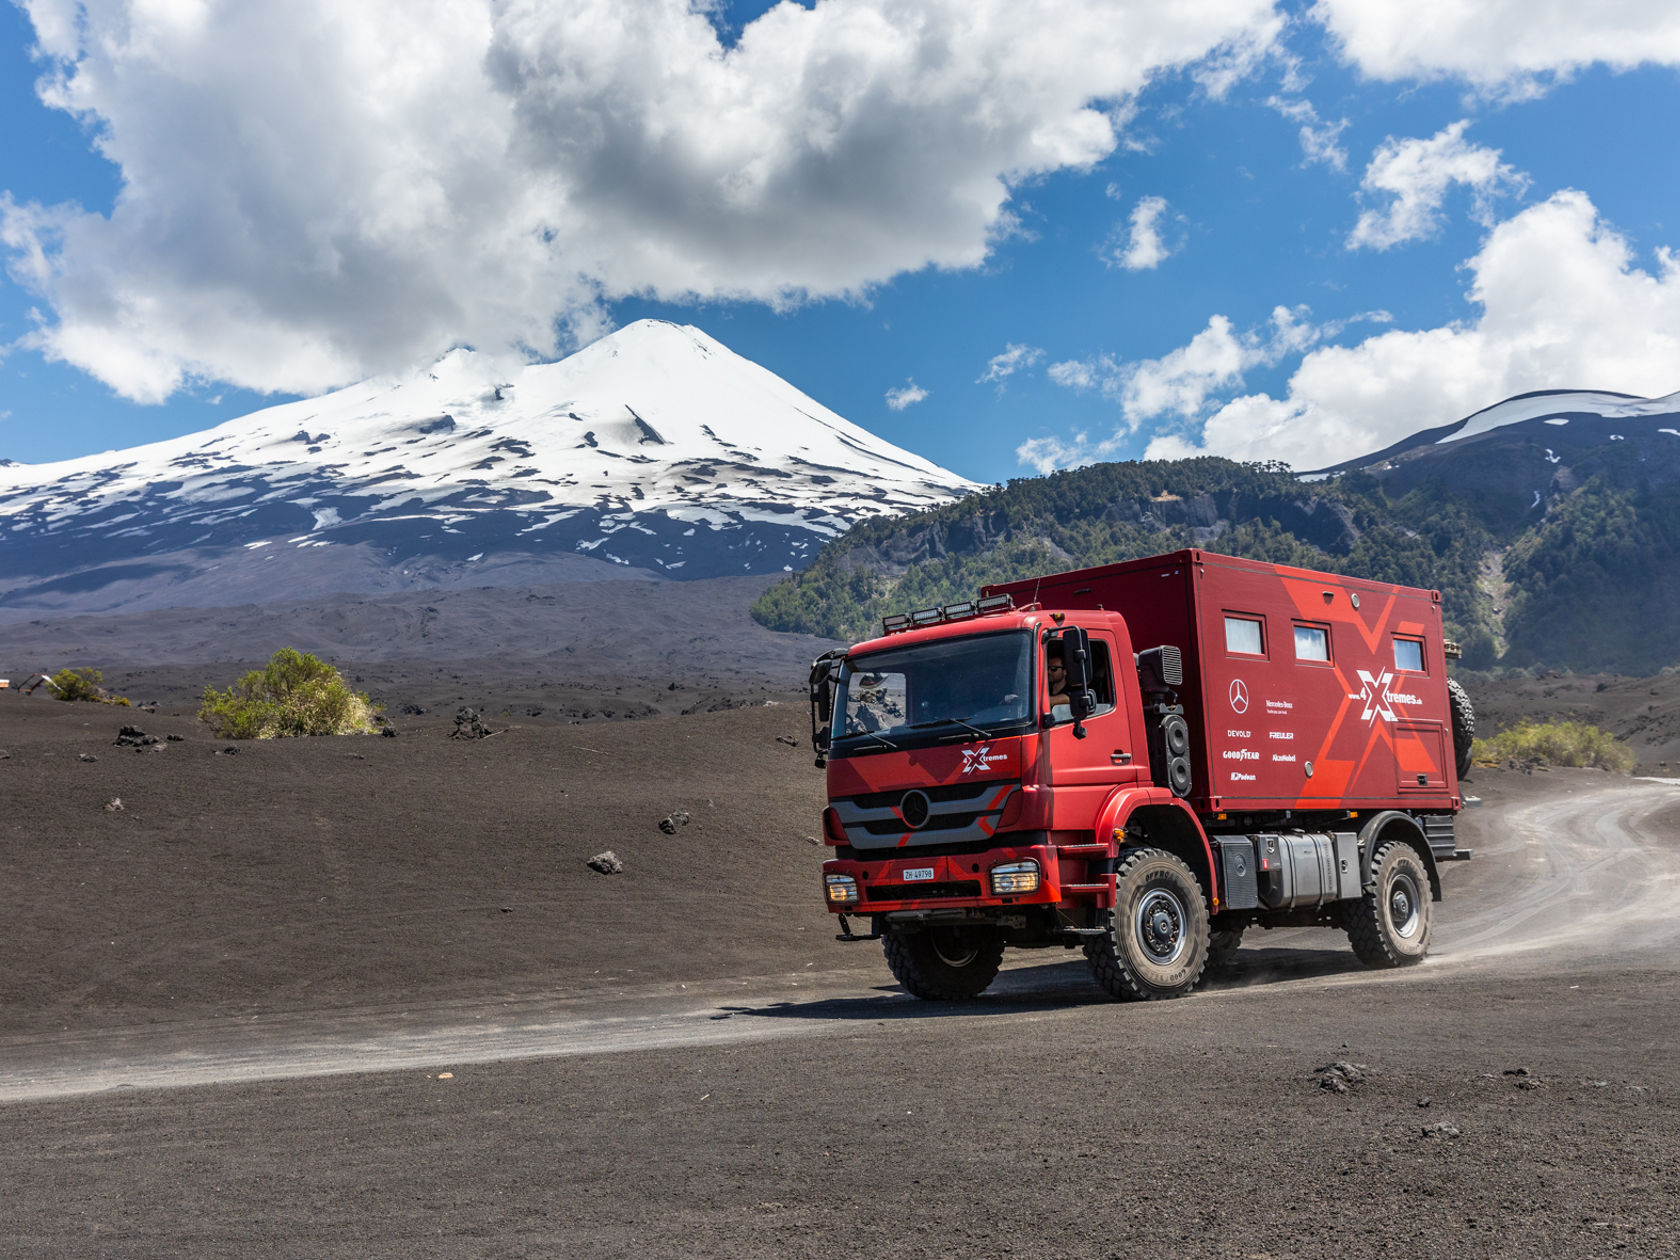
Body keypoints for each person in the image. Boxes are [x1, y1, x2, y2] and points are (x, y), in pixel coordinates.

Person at [1045, 644, 1070, 711]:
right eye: (1047, 668)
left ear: (1065, 671)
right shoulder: (1045, 689)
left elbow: (1067, 699)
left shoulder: (1072, 690)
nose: (1048, 672)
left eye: (1053, 669)